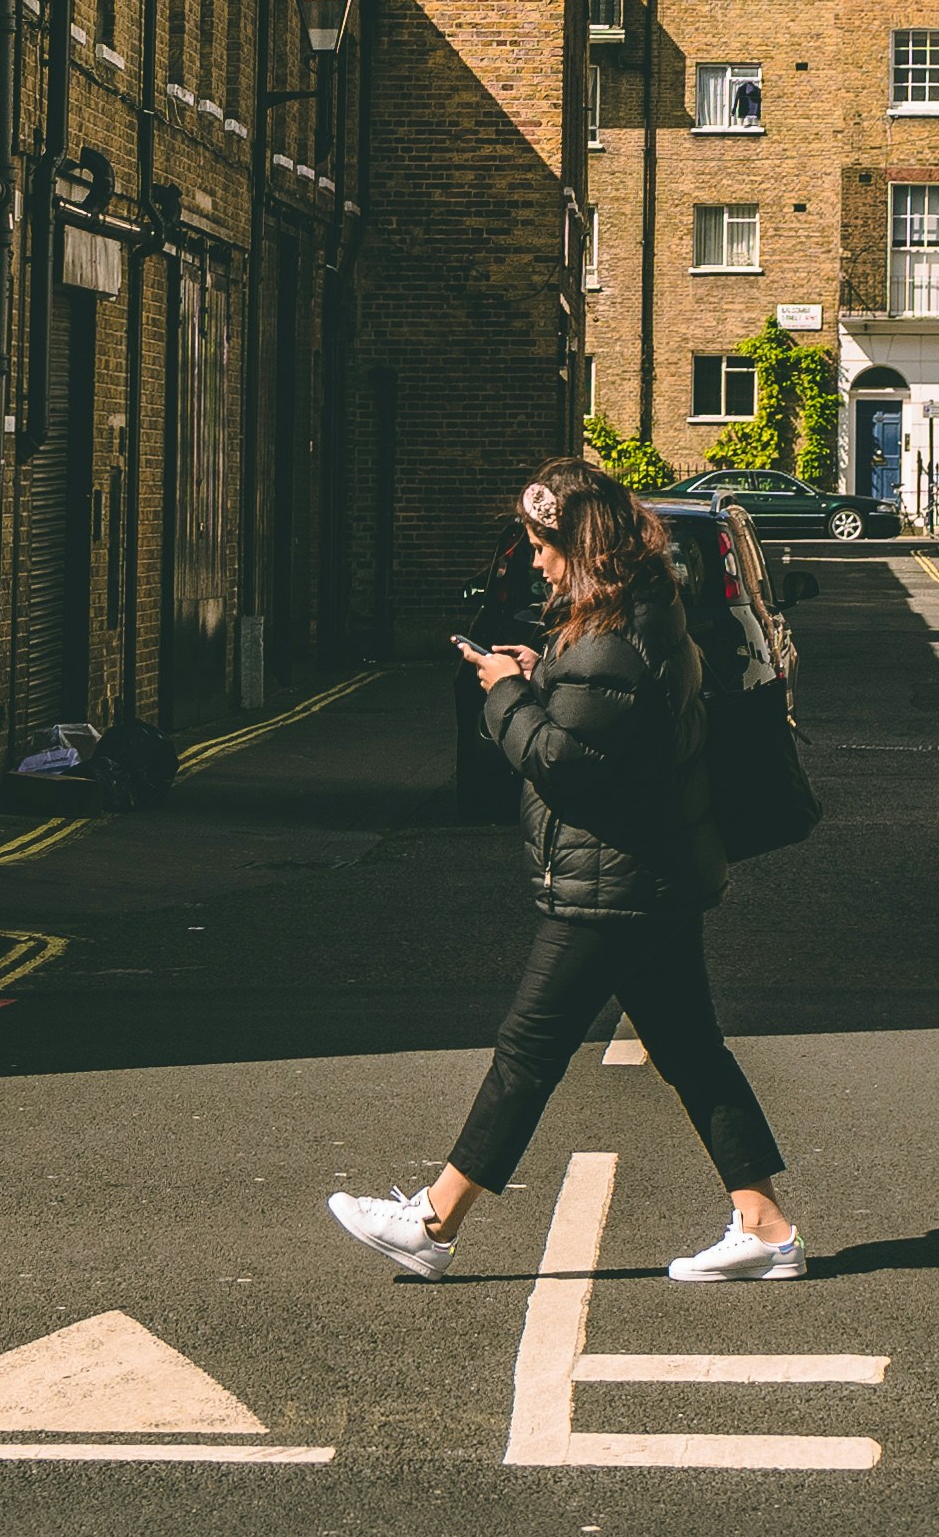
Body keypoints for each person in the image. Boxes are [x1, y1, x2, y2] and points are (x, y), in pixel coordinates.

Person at [331, 474, 807, 1287]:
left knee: (528, 1051)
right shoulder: (629, 618)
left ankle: (433, 1224)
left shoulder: (608, 641)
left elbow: (566, 763)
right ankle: (765, 1226)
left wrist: (505, 693)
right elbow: (600, 713)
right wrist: (539, 674)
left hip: (612, 879)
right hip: (649, 869)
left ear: (582, 551)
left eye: (545, 551)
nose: (538, 567)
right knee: (692, 1051)